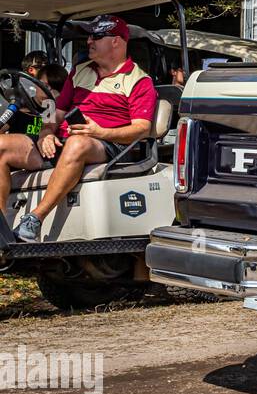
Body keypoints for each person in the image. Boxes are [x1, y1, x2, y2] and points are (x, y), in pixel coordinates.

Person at [0, 15, 157, 242]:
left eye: (97, 36)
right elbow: (55, 109)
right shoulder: (80, 70)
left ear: (117, 41)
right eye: (89, 36)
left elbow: (142, 128)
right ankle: (3, 226)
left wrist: (100, 132)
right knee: (2, 144)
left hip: (106, 143)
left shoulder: (139, 80)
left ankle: (34, 219)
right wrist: (45, 132)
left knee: (78, 143)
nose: (90, 41)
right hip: (65, 139)